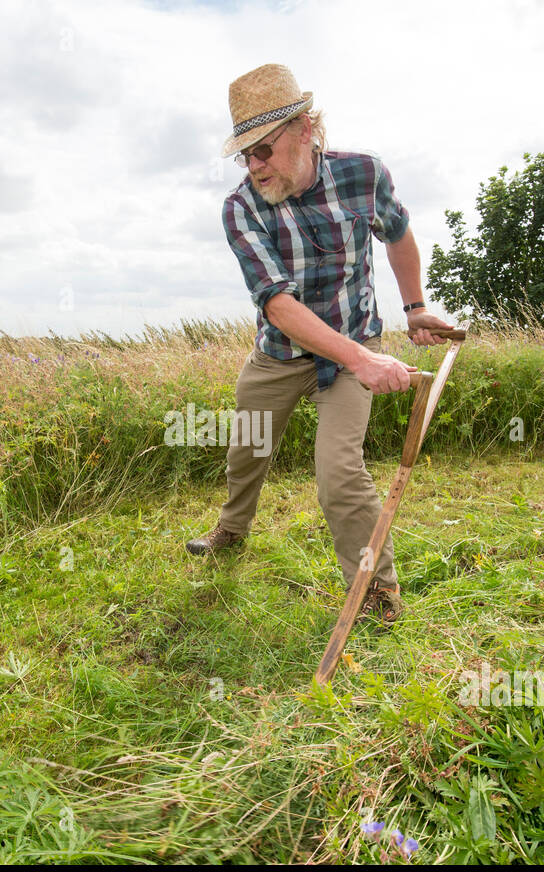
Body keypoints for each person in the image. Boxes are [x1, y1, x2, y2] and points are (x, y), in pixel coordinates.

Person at [185, 63, 456, 625]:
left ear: (306, 128)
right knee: (247, 451)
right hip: (281, 354)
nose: (255, 166)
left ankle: (375, 592)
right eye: (246, 155)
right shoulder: (240, 208)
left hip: (354, 342)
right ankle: (231, 533)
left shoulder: (363, 174)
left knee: (339, 473)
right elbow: (278, 305)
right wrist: (363, 358)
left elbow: (397, 231)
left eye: (265, 149)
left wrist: (415, 308)